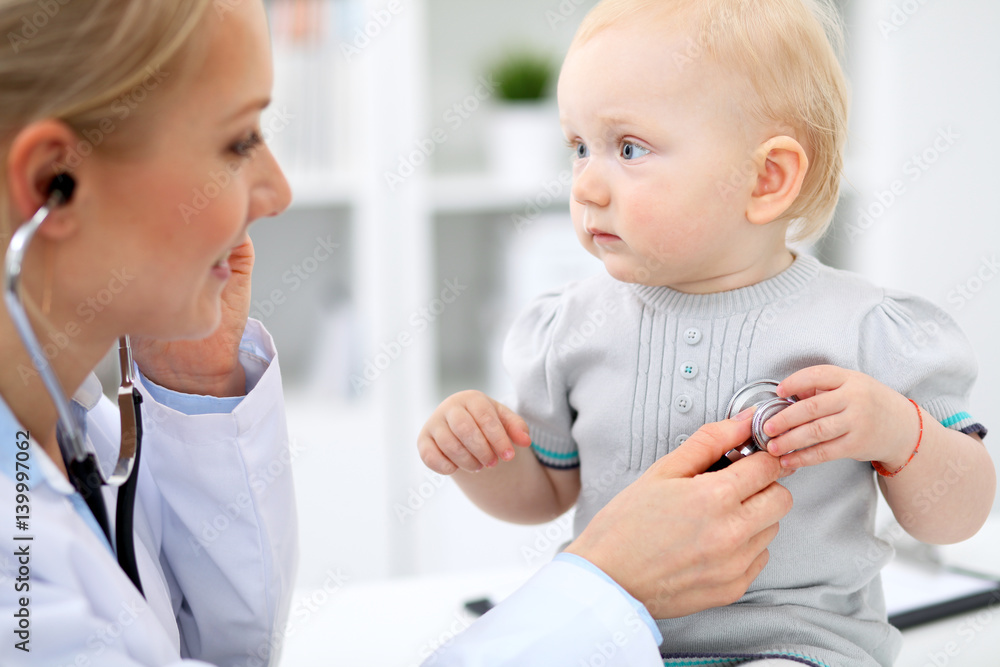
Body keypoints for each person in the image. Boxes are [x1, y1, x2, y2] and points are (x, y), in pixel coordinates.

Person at [0, 1, 793, 666]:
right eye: (239, 140)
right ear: (51, 186)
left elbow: (224, 649)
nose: (275, 190)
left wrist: (199, 384)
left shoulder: (70, 430)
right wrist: (607, 584)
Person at [417, 0, 997, 665]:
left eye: (628, 147)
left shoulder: (867, 328)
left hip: (799, 645)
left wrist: (899, 430)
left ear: (766, 178)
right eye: (579, 146)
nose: (587, 186)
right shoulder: (571, 325)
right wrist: (483, 453)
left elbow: (960, 513)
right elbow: (545, 491)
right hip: (617, 637)